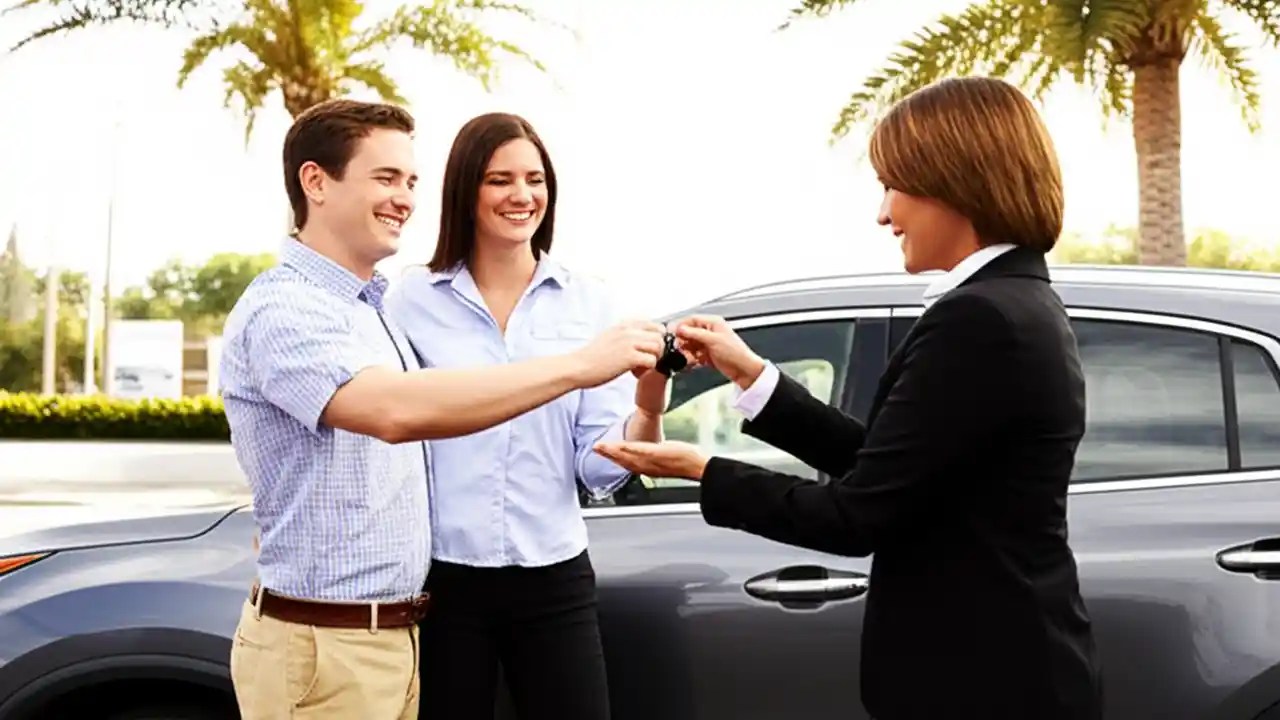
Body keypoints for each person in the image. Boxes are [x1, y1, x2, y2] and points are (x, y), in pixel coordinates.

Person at [594, 76, 1104, 720]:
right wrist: (752, 376)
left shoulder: (980, 319)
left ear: (954, 181)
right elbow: (889, 467)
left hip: (982, 684)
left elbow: (857, 515)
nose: (884, 215)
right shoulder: (1016, 303)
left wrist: (704, 470)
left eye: (893, 186)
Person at [219, 99, 667, 720]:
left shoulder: (368, 308)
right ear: (315, 182)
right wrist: (578, 366)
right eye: (386, 178)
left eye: (410, 181)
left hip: (411, 621)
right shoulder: (331, 306)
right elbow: (394, 413)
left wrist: (647, 400)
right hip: (388, 613)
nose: (403, 198)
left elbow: (597, 465)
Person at [382, 112, 667, 720]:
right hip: (442, 580)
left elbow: (598, 469)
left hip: (554, 579)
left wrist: (648, 405)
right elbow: (387, 423)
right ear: (465, 190)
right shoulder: (409, 301)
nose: (522, 195)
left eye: (535, 180)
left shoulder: (589, 302)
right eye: (500, 180)